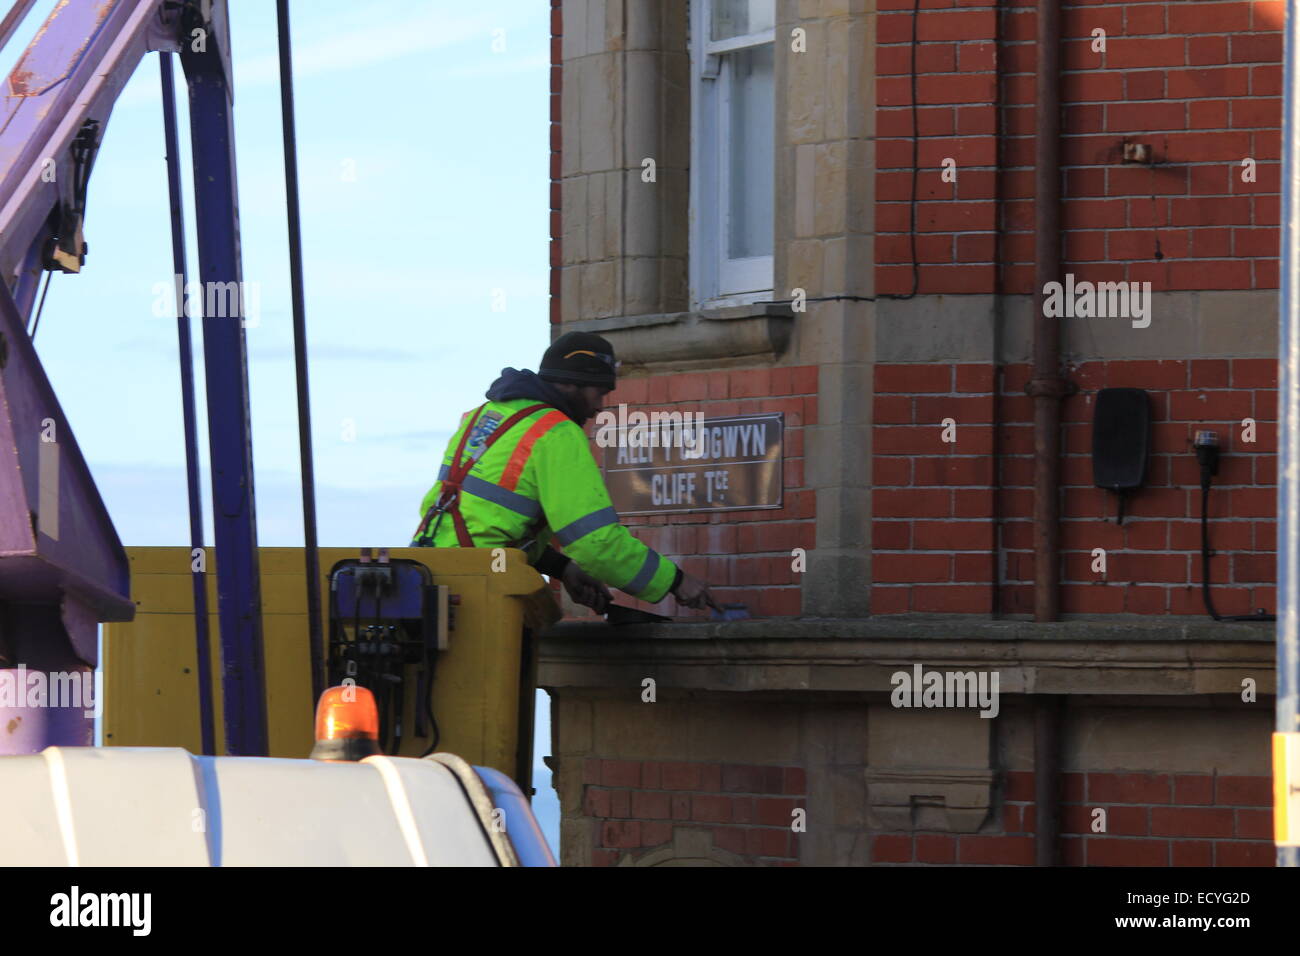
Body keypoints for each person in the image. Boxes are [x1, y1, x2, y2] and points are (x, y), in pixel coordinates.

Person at [412, 331, 718, 615]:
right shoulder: (556, 432)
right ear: (571, 383)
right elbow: (595, 542)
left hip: (426, 575)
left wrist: (563, 568)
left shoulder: (483, 416)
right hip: (480, 592)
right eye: (598, 393)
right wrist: (676, 581)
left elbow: (485, 524)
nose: (599, 406)